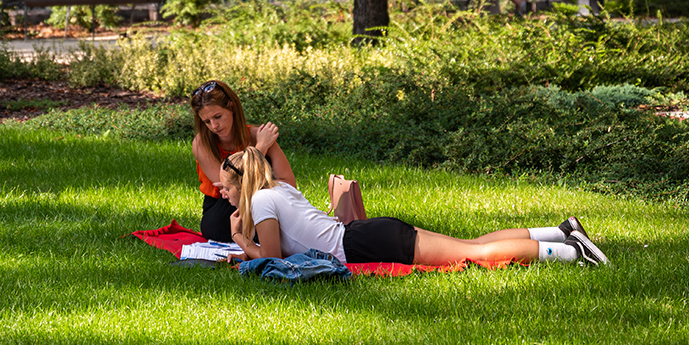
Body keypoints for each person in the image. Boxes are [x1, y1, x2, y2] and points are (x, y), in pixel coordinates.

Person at [221, 147, 609, 268]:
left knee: (474, 255)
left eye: (226, 187)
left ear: (243, 183)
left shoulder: (262, 200)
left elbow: (270, 259)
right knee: (470, 244)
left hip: (364, 244)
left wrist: (239, 237)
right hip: (367, 234)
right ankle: (560, 231)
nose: (223, 194)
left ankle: (572, 253)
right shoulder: (277, 190)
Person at [190, 80, 295, 242]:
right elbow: (231, 188)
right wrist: (259, 149)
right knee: (214, 225)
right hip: (226, 205)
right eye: (207, 121)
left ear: (231, 107)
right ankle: (267, 232)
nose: (214, 126)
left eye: (218, 117)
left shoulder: (256, 135)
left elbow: (289, 184)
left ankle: (267, 231)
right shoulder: (201, 143)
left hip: (263, 197)